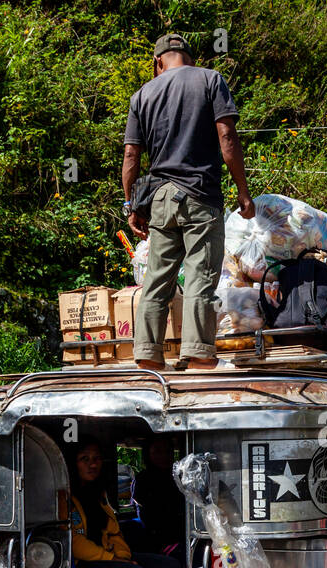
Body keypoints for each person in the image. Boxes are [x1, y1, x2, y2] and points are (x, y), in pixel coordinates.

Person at [122, 33, 254, 371]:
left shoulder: (142, 95)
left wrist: (131, 205)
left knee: (157, 279)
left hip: (160, 200)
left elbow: (131, 155)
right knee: (200, 277)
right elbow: (227, 137)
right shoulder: (210, 80)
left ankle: (147, 355)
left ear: (158, 62)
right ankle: (196, 355)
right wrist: (242, 190)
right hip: (200, 196)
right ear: (189, 57)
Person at [124, 438, 187, 568]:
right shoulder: (143, 480)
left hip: (183, 536)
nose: (163, 456)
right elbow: (150, 515)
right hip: (158, 541)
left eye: (167, 451)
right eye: (157, 451)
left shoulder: (180, 477)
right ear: (148, 454)